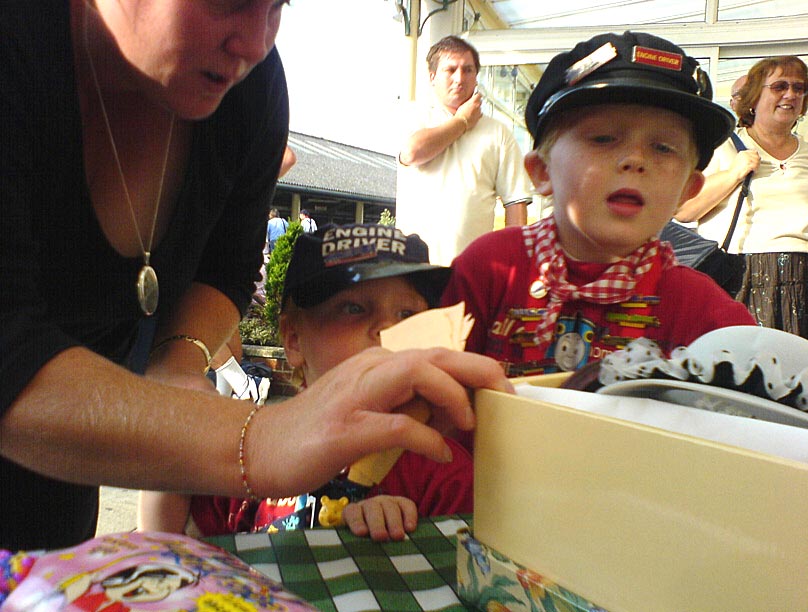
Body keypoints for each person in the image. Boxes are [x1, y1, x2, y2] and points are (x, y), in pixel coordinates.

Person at [0, 1, 512, 551]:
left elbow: (227, 266)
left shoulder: (251, 89)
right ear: (291, 337)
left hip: (58, 468)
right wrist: (260, 442)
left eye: (276, 6)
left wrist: (177, 359)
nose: (254, 43)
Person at [442, 31, 757, 383]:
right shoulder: (492, 268)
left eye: (663, 148)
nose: (635, 160)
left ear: (688, 189)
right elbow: (429, 397)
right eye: (603, 138)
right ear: (541, 172)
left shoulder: (703, 310)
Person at [142, 223, 474, 541]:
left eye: (407, 315)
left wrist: (403, 537)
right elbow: (173, 538)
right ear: (294, 339)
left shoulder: (445, 468)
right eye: (354, 308)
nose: (386, 328)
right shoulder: (249, 451)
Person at [675, 56, 808, 342]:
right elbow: (684, 210)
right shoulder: (724, 145)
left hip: (805, 282)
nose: (791, 94)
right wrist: (733, 173)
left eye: (799, 88)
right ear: (754, 96)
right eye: (779, 86)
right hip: (741, 277)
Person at [396, 35, 533, 266]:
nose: (460, 78)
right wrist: (462, 122)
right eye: (450, 70)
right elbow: (412, 153)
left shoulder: (498, 133)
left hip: (474, 270)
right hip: (412, 270)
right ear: (432, 77)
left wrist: (514, 265)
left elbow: (515, 204)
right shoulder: (413, 117)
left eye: (468, 70)